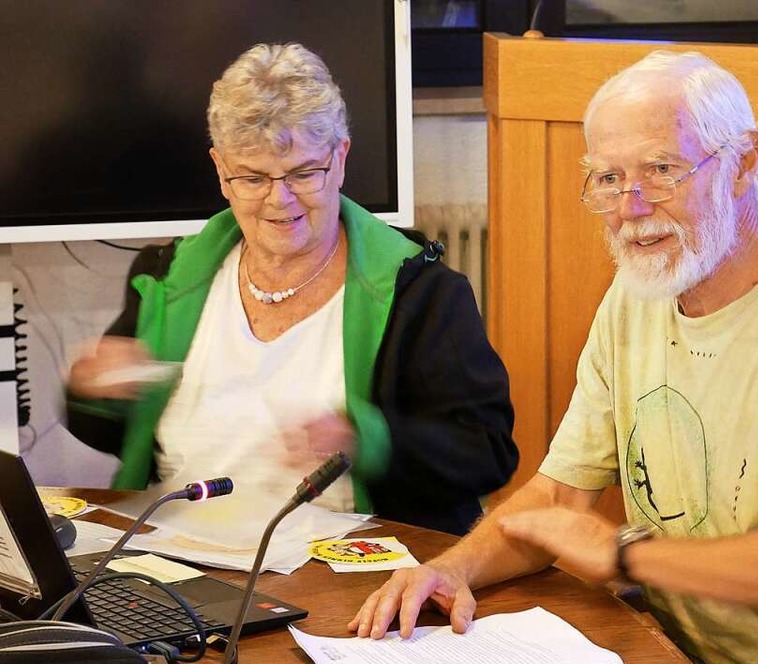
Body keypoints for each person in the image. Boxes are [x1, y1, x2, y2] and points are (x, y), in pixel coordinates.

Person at [348, 51, 758, 664]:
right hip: (679, 662)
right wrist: (450, 571)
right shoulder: (638, 294)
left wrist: (624, 554)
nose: (629, 208)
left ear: (743, 161)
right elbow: (560, 496)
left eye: (662, 170)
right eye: (608, 178)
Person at [66, 42, 518, 539]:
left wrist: (366, 439)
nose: (279, 199)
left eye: (303, 173)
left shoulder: (421, 293)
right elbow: (114, 437)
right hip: (177, 557)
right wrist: (96, 392)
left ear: (340, 158)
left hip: (344, 563)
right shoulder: (168, 278)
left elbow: (487, 453)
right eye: (252, 178)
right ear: (221, 171)